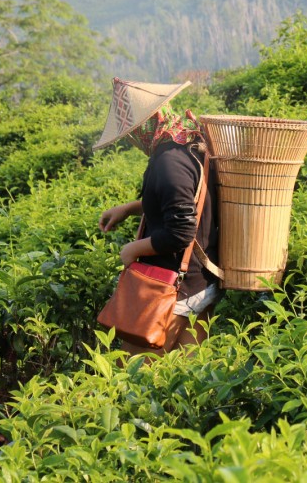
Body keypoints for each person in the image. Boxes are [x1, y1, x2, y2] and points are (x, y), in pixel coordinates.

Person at [93, 77, 221, 357]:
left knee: (134, 376)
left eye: (131, 133)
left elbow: (180, 231)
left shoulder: (168, 161)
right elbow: (185, 201)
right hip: (200, 282)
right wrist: (129, 208)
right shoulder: (190, 141)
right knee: (186, 377)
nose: (132, 140)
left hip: (172, 290)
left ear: (143, 126)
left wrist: (133, 249)